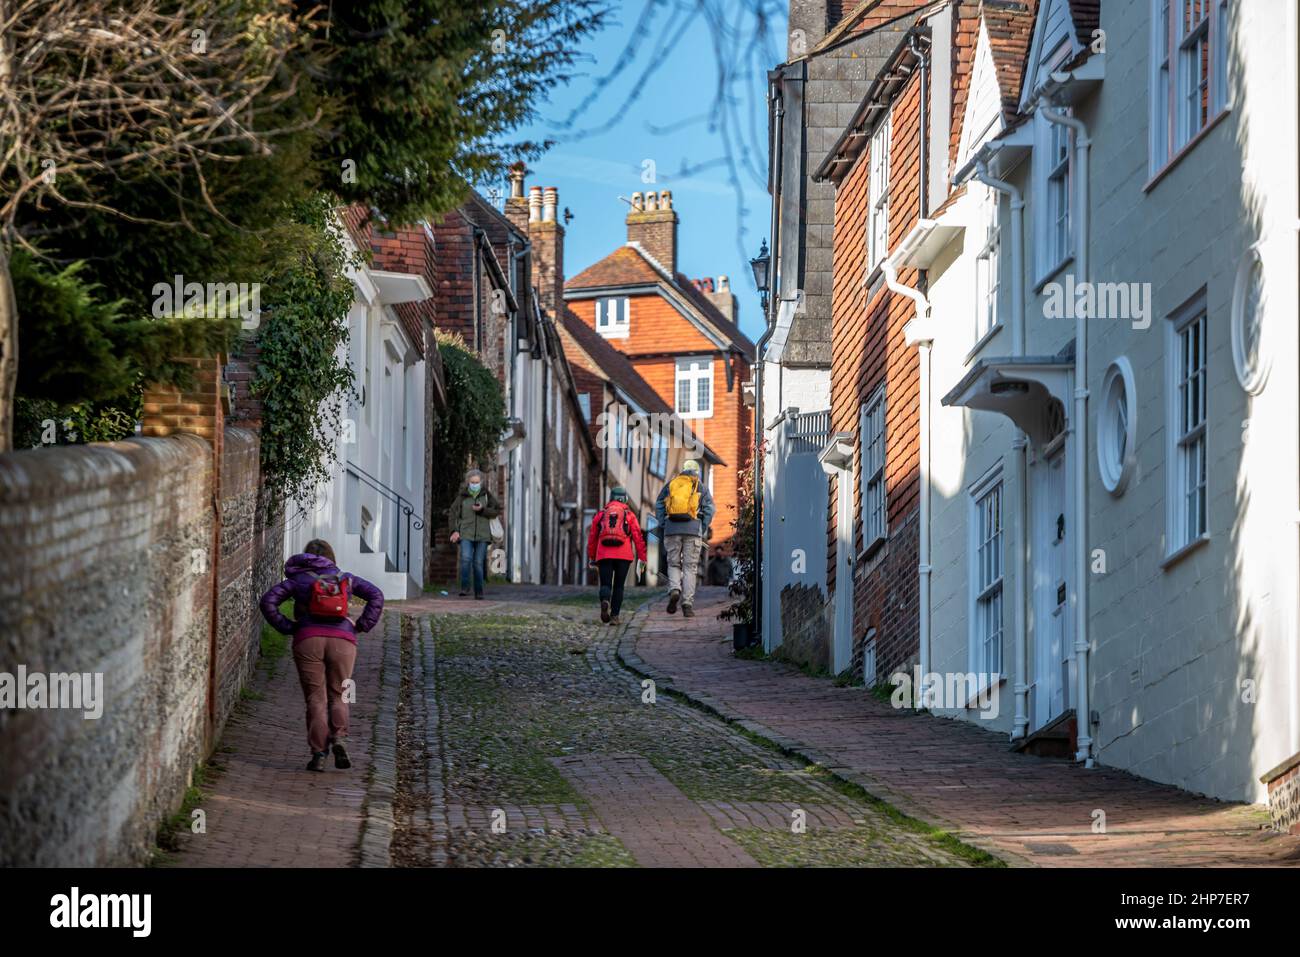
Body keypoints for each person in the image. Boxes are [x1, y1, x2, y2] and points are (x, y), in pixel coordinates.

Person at [259, 539, 384, 772]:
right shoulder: (345, 578)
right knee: (341, 694)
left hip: (308, 640)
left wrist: (289, 627)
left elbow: (268, 601)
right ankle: (339, 738)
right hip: (343, 640)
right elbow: (376, 595)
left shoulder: (297, 580)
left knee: (316, 699)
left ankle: (318, 754)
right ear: (331, 557)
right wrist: (361, 625)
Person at [654, 459, 714, 618]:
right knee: (690, 567)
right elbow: (709, 509)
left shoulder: (671, 484)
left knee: (673, 563)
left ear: (683, 470)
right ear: (697, 473)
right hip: (693, 530)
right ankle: (687, 603)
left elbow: (659, 504)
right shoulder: (701, 487)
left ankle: (674, 589)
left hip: (672, 529)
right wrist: (703, 526)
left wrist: (663, 522)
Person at [587, 486, 647, 625]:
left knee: (606, 583)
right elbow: (638, 537)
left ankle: (605, 600)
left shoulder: (601, 515)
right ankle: (614, 616)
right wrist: (642, 558)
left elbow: (592, 537)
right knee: (619, 586)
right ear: (625, 499)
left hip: (604, 554)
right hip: (623, 556)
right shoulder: (629, 515)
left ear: (611, 498)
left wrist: (592, 556)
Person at [447, 466, 501, 599]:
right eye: (472, 482)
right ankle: (465, 587)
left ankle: (479, 591)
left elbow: (496, 510)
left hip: (483, 535)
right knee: (465, 559)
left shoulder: (486, 495)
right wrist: (454, 531)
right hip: (465, 533)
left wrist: (483, 510)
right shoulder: (462, 496)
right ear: (468, 482)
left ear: (481, 482)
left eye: (477, 482)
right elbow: (452, 512)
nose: (475, 484)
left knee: (478, 562)